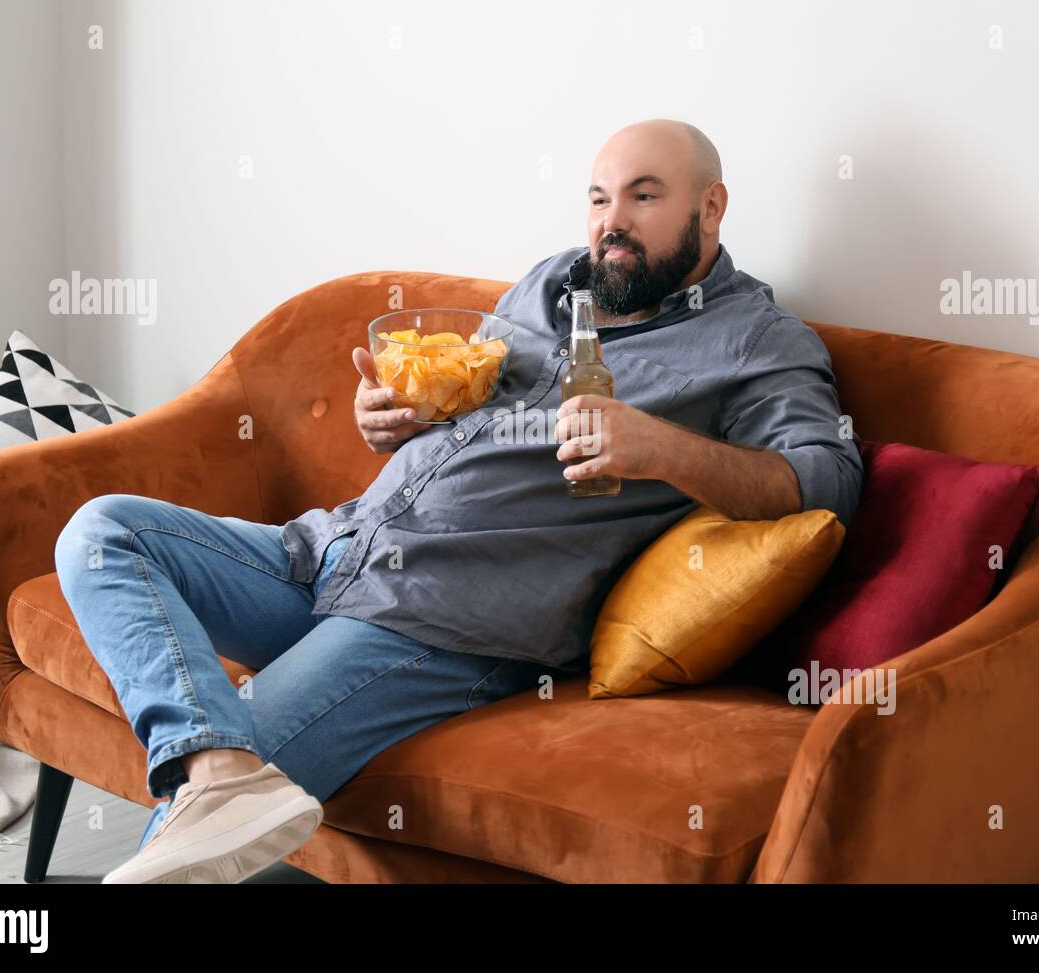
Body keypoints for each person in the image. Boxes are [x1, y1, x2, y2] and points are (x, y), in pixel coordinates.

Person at [54, 118, 863, 884]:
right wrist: (397, 420)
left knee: (203, 831)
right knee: (100, 532)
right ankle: (219, 766)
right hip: (330, 550)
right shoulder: (552, 284)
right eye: (598, 197)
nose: (611, 222)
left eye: (644, 197)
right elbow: (466, 406)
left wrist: (662, 447)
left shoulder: (757, 342)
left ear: (710, 206)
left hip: (439, 622)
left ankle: (226, 778)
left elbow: (827, 479)